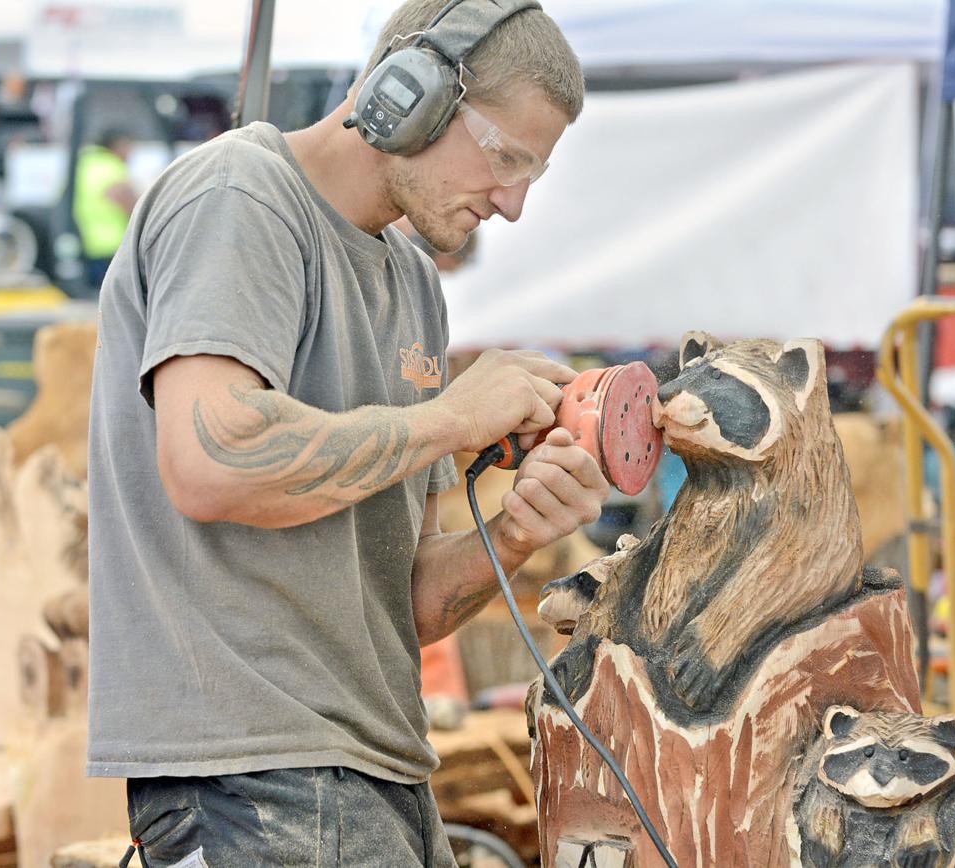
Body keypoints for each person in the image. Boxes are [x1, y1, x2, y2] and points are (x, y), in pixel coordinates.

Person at [86, 1, 599, 866]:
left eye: (531, 176)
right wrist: (450, 419)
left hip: (376, 771)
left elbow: (404, 604)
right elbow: (209, 460)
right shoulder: (241, 199)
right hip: (250, 772)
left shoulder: (411, 281)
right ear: (410, 93)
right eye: (504, 157)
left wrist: (514, 532)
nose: (510, 204)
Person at [72, 128, 137, 288]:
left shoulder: (85, 165)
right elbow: (129, 204)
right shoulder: (111, 167)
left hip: (88, 243)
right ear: (118, 146)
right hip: (112, 245)